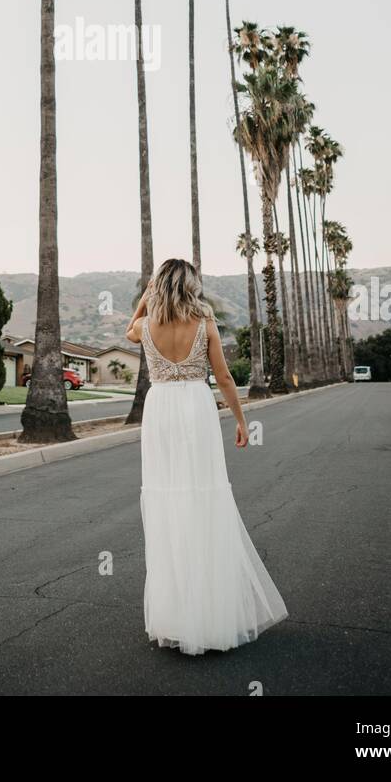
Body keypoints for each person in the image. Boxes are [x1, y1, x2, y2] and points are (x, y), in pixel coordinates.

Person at [126, 257, 288, 655]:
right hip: (196, 408)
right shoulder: (205, 322)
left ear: (159, 285)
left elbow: (129, 331)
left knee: (168, 499)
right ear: (192, 286)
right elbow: (225, 377)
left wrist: (145, 300)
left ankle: (177, 613)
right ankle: (209, 611)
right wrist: (240, 419)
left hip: (160, 411)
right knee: (203, 497)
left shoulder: (146, 326)